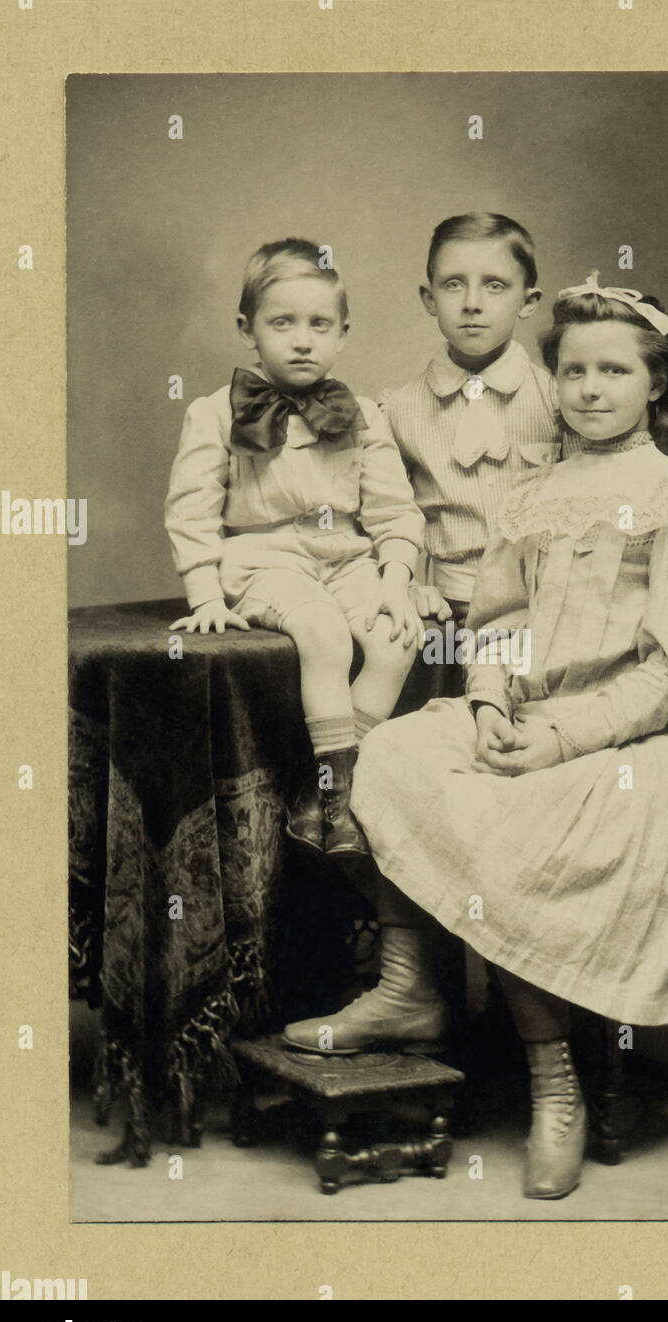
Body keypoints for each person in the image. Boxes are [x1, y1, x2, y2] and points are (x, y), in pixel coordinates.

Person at [284, 272, 668, 1201]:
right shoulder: (531, 494)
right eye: (574, 371)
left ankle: (555, 1080)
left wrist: (561, 738)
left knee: (516, 821)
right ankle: (409, 987)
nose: (590, 390)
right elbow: (497, 626)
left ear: (656, 382)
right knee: (392, 755)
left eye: (614, 372)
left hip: (640, 741)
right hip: (527, 719)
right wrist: (491, 705)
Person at [164, 238, 425, 859]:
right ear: (247, 329)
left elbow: (394, 510)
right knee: (323, 634)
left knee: (397, 638)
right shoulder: (214, 413)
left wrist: (395, 580)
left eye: (319, 325)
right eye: (282, 323)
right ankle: (339, 794)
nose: (302, 340)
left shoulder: (360, 413)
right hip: (265, 560)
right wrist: (204, 592)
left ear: (342, 333)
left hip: (348, 560)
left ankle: (325, 791)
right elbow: (191, 510)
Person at [382, 212, 569, 705]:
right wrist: (402, 587)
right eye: (452, 285)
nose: (471, 304)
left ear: (528, 302)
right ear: (429, 298)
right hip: (446, 615)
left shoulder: (559, 401)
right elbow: (378, 515)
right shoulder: (396, 410)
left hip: (542, 612)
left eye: (494, 286)